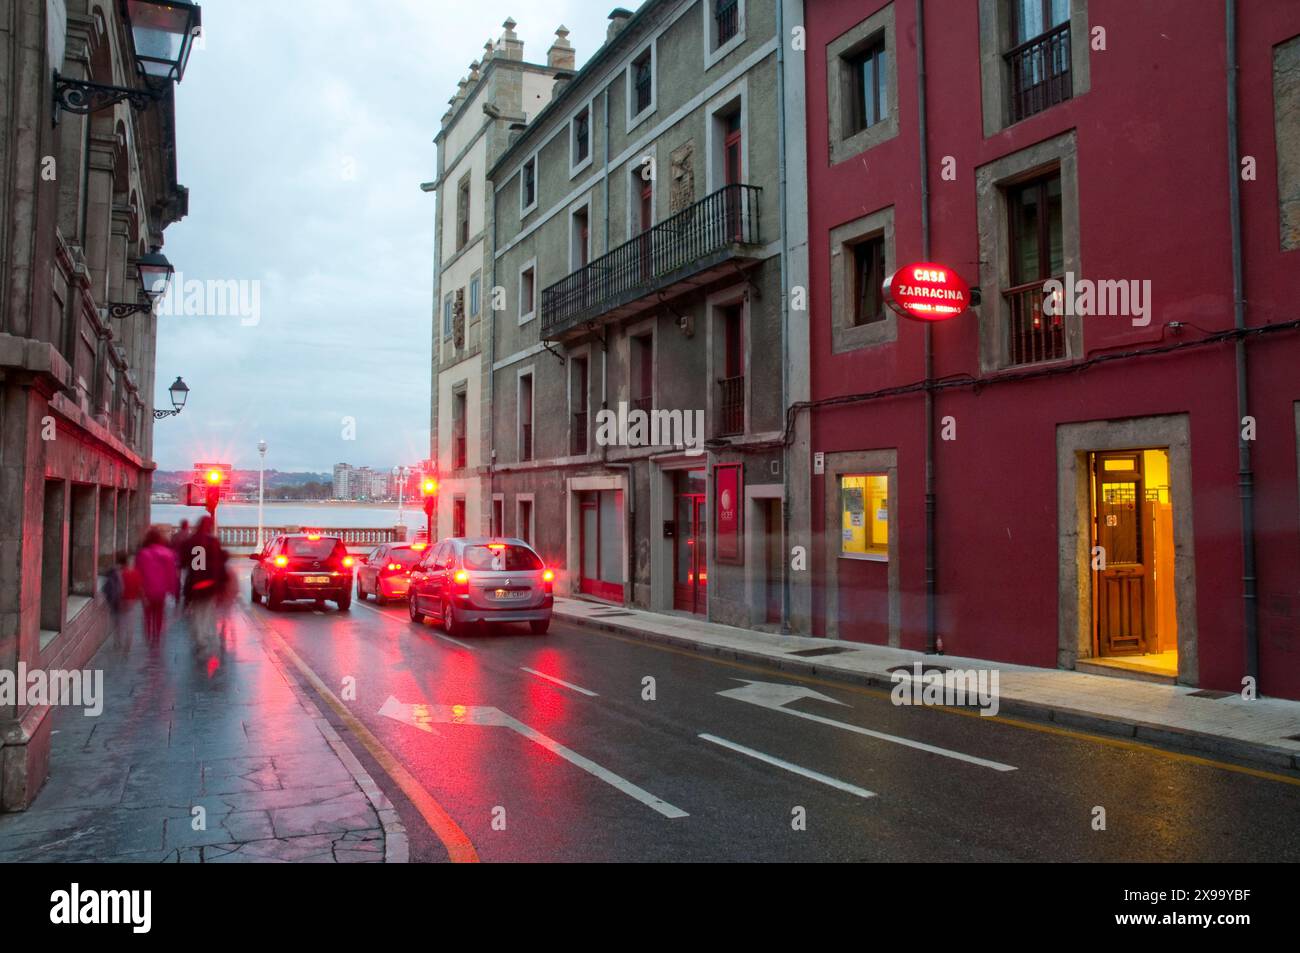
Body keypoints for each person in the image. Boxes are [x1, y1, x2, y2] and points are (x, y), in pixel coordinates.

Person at [184, 516, 228, 653]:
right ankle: (203, 635)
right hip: (209, 582)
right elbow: (219, 564)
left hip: (195, 581)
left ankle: (199, 636)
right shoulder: (213, 541)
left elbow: (185, 561)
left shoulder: (191, 541)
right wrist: (222, 583)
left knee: (197, 610)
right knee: (207, 609)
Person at [135, 529, 179, 642]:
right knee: (159, 613)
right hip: (161, 591)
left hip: (147, 590)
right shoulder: (168, 554)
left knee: (148, 614)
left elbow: (138, 574)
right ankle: (157, 637)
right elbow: (172, 574)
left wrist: (139, 591)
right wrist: (172, 590)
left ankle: (149, 636)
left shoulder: (142, 554)